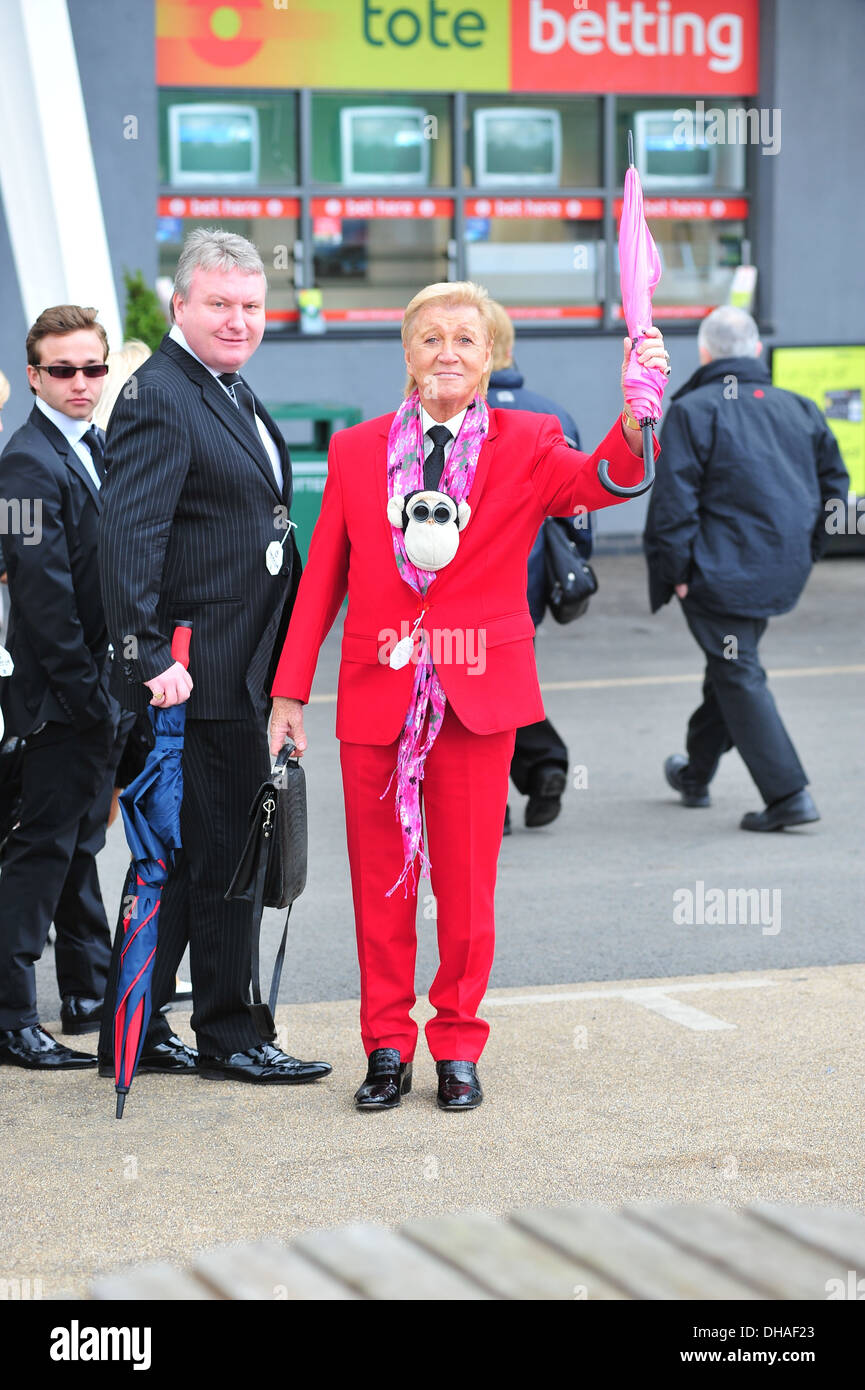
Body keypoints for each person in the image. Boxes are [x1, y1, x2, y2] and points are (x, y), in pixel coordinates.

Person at [269, 280, 666, 1111]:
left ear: (492, 357)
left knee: (465, 886)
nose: (447, 352)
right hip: (378, 694)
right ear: (407, 355)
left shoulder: (527, 441)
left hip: (475, 700)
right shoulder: (355, 450)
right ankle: (384, 1045)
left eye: (465, 339)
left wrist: (635, 417)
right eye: (430, 338)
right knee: (382, 884)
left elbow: (600, 482)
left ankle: (455, 1044)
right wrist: (290, 692)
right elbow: (322, 586)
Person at [97, 229, 331, 1086]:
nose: (239, 320)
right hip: (198, 676)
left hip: (241, 667)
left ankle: (140, 1027)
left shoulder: (225, 388)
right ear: (180, 306)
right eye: (220, 305)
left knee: (191, 854)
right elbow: (126, 537)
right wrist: (150, 653)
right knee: (228, 850)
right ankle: (231, 1035)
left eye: (251, 306)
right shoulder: (162, 393)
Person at [644, 305, 849, 831]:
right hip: (777, 570)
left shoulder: (694, 410)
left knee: (737, 669)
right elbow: (836, 490)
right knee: (731, 664)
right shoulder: (800, 409)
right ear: (757, 350)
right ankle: (695, 773)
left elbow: (674, 503)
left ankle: (789, 796)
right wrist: (810, 550)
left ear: (705, 353)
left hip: (714, 575)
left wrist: (677, 572)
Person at [0, 305, 119, 1069]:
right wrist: (88, 698)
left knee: (79, 844)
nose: (81, 383)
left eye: (94, 368)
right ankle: (11, 1018)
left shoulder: (93, 443)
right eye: (64, 370)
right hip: (56, 698)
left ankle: (88, 993)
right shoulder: (24, 465)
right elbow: (44, 601)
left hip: (91, 688)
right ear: (36, 375)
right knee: (39, 854)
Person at [487, 300, 591, 832]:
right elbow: (579, 504)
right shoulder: (551, 414)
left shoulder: (454, 412)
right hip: (534, 579)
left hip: (476, 589)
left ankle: (499, 798)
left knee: (477, 688)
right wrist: (574, 564)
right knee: (504, 679)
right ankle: (542, 765)